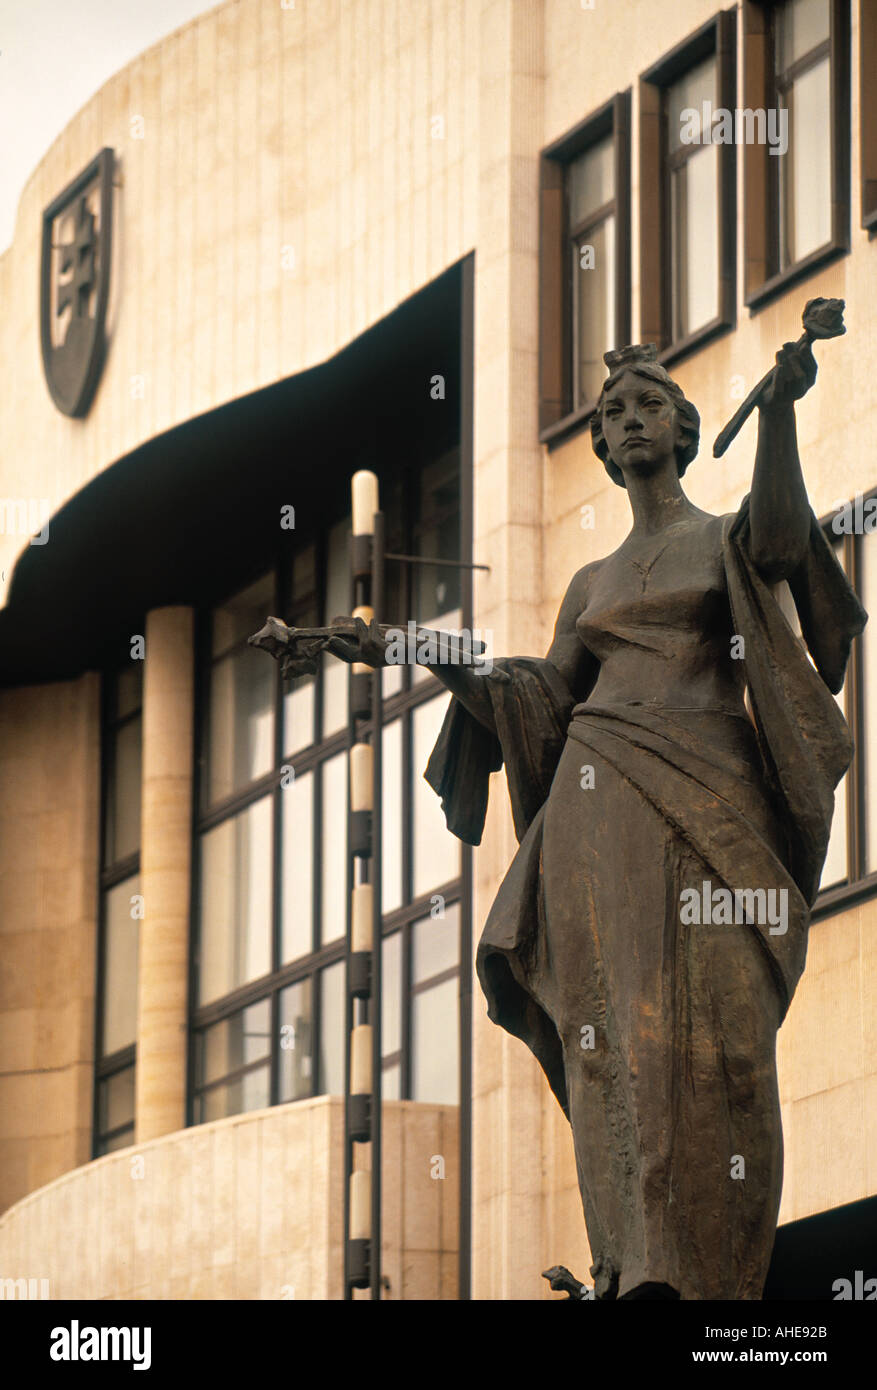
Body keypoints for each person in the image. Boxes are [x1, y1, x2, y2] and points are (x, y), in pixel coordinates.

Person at [300, 338, 866, 1300]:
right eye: (611, 412)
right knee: (622, 1040)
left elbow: (780, 543)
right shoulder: (590, 584)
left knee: (729, 1042)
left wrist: (775, 413)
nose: (627, 418)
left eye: (648, 403)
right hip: (597, 806)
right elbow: (536, 689)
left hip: (717, 800)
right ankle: (636, 1269)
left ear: (685, 431)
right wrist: (403, 643)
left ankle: (723, 1288)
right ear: (602, 445)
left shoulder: (722, 537)